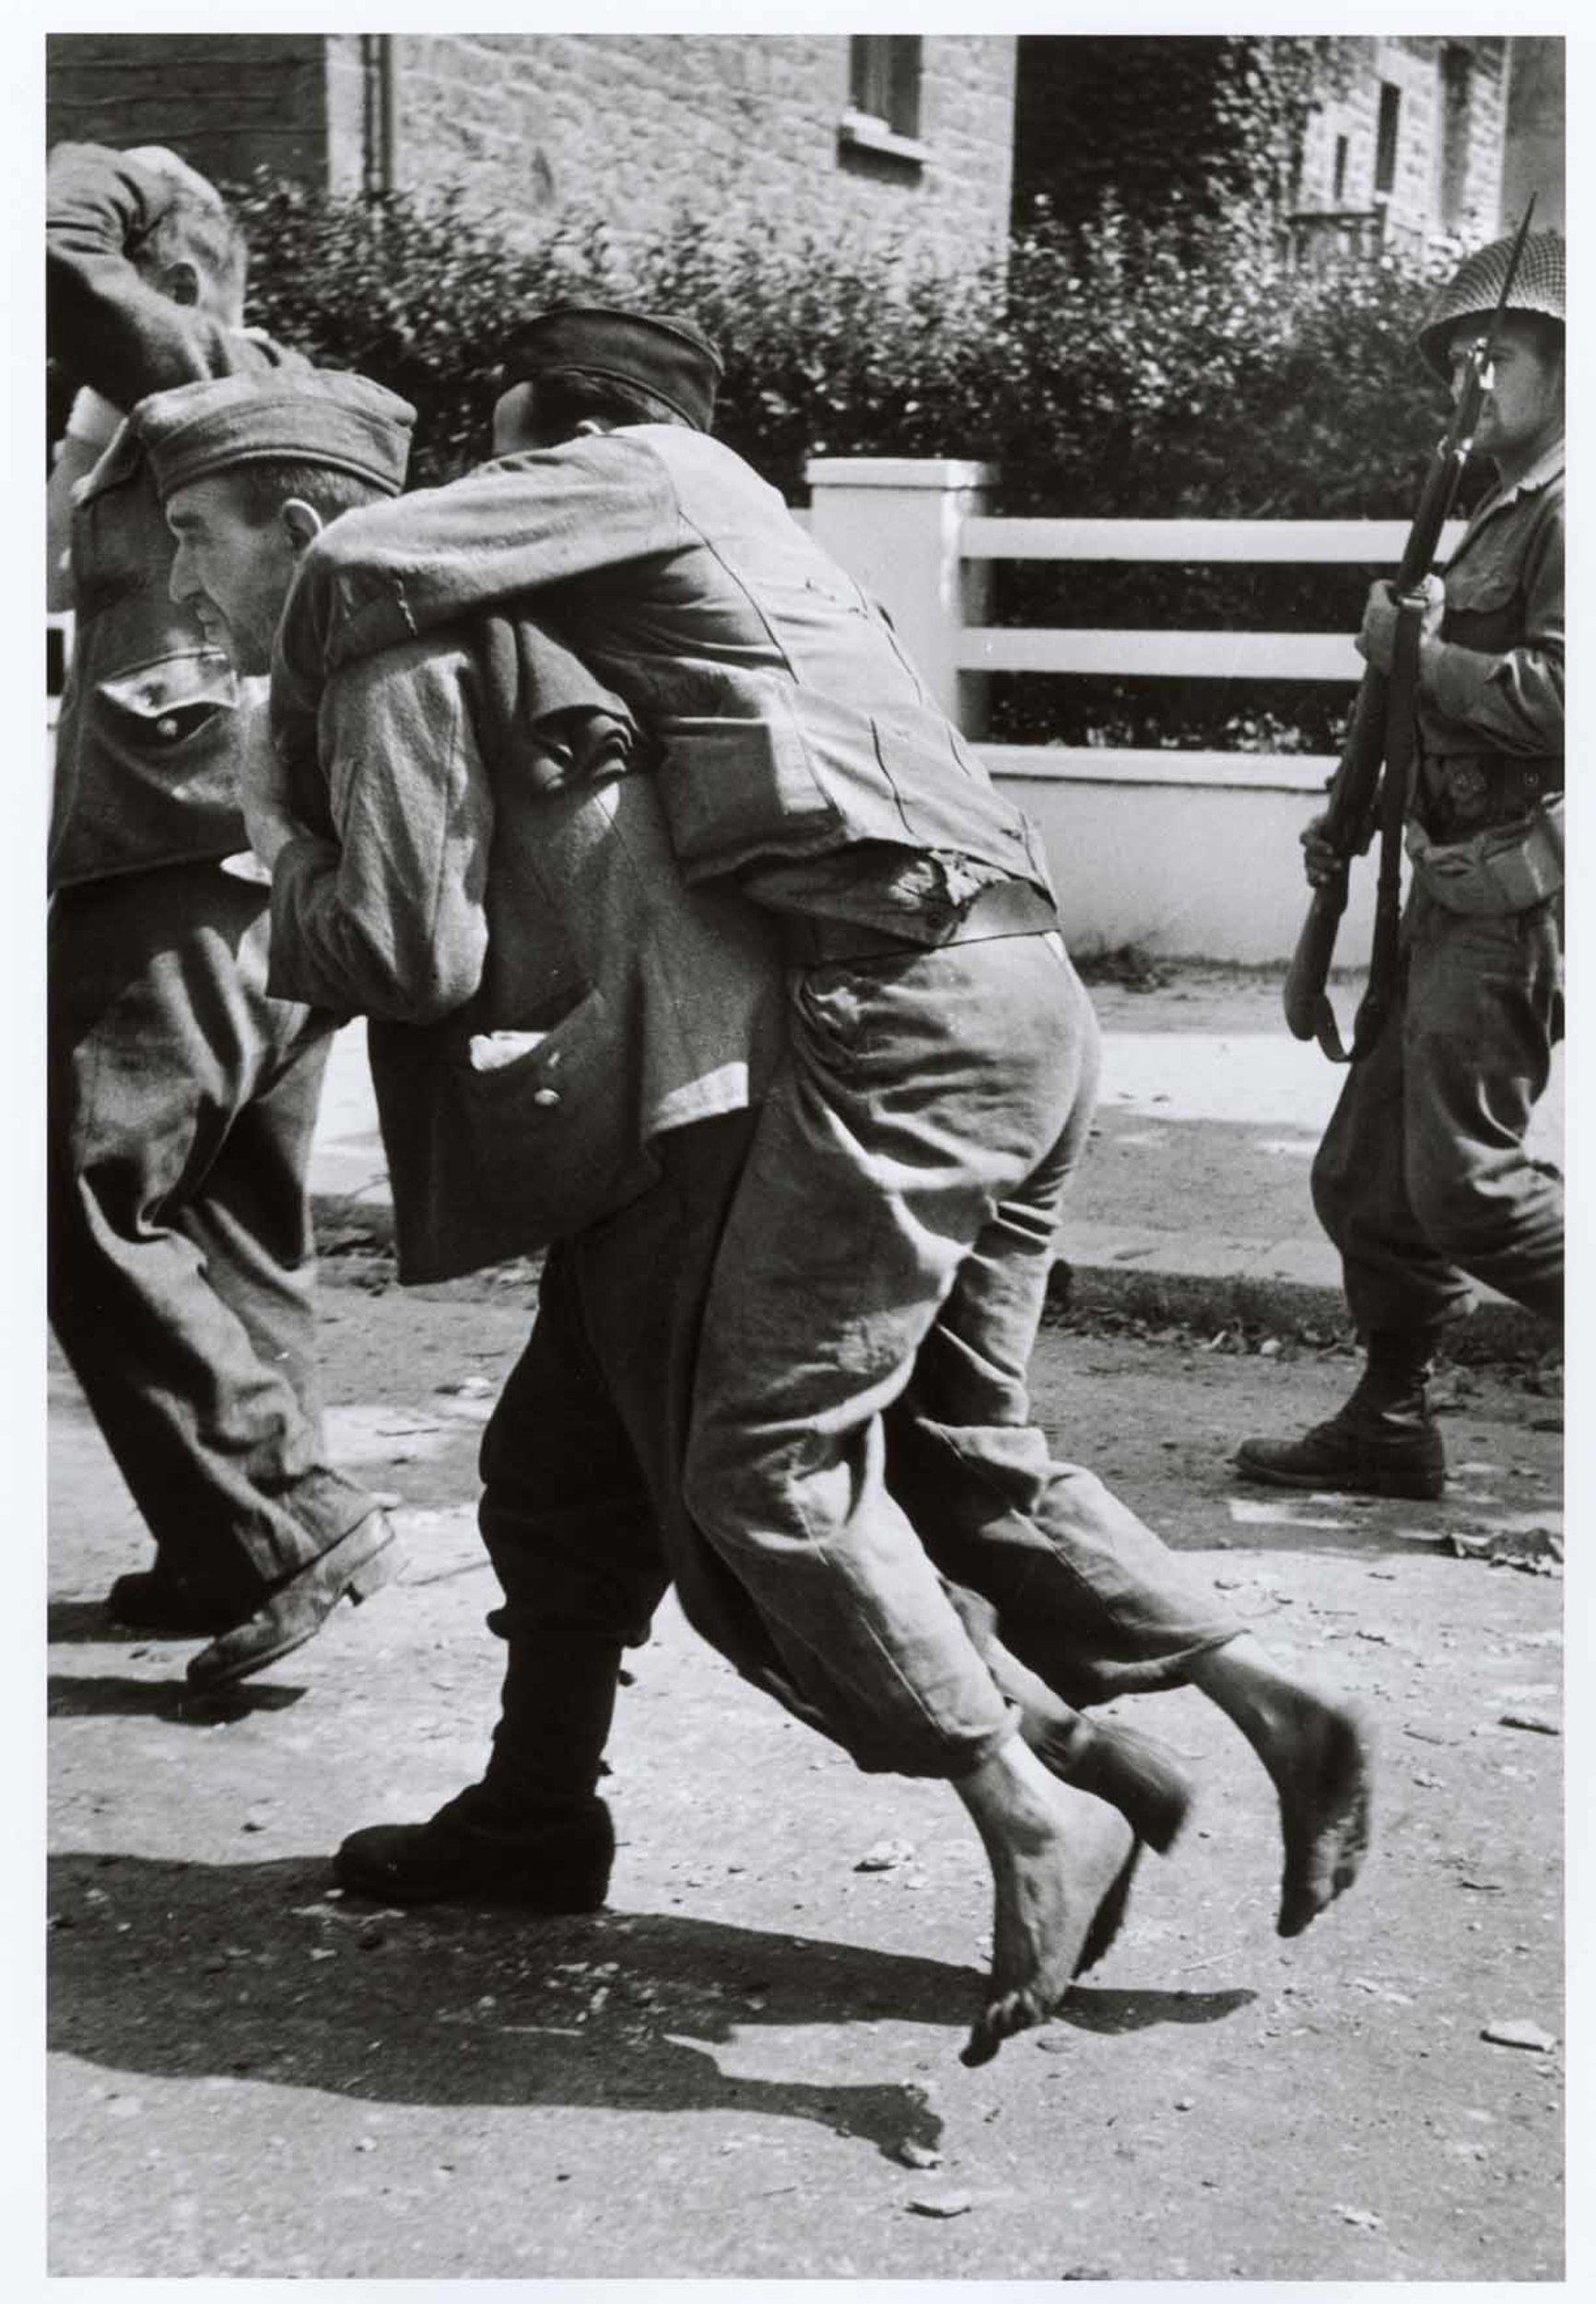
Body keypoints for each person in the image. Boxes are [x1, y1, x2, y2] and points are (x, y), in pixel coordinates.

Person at [271, 309, 1374, 2063]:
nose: (491, 493)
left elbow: (355, 557)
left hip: (888, 1015)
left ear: (584, 434)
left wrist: (288, 757)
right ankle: (1260, 1689)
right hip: (1015, 993)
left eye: (510, 454)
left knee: (764, 1469)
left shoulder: (639, 480)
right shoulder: (747, 560)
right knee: (931, 1443)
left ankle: (1031, 1798)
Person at [46, 141, 405, 1691]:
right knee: (231, 1214)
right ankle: (234, 1541)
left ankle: (279, 1517)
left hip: (189, 857)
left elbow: (41, 236)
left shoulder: (214, 374)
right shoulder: (185, 411)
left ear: (175, 284)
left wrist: (121, 166)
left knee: (66, 1181)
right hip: (236, 852)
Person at [1238, 230, 1565, 1502]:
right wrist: (1352, 810)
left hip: (1511, 891)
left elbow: (1559, 701)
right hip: (1439, 876)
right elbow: (1418, 709)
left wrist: (1415, 650)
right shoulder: (1486, 506)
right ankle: (1389, 1419)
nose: (1472, 389)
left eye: (1501, 362)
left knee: (1471, 1193)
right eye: (1459, 366)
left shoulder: (1567, 513)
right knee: (1365, 1183)